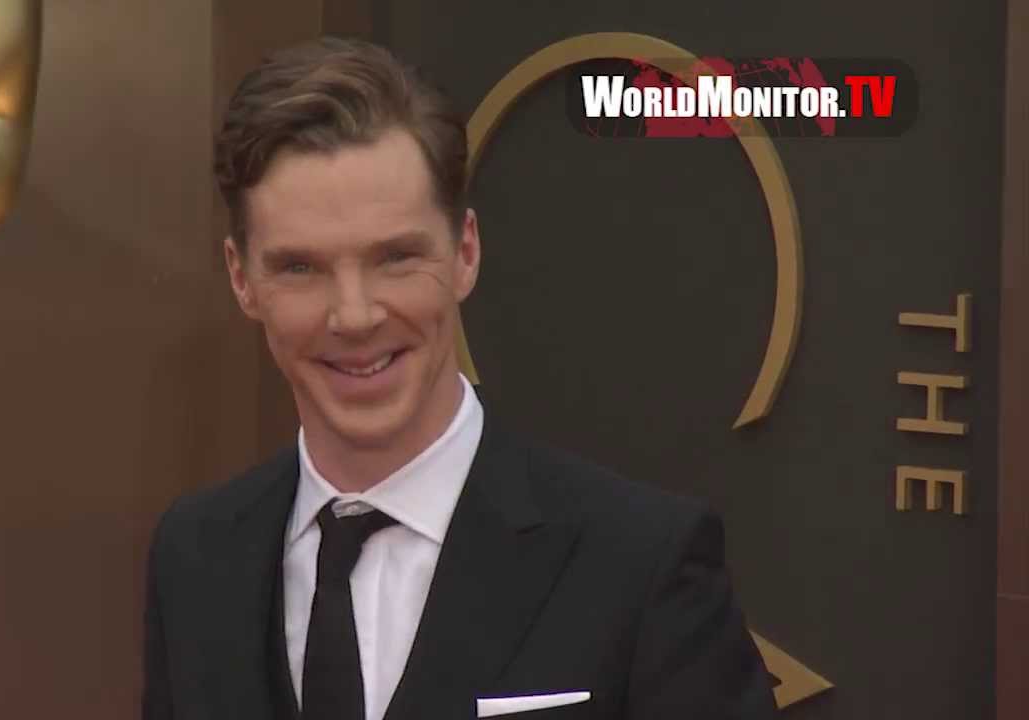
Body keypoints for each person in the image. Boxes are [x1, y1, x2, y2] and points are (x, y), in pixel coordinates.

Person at [142, 36, 777, 720]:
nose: (355, 316)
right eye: (301, 267)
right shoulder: (196, 555)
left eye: (395, 258)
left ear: (465, 252)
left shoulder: (642, 563)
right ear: (243, 279)